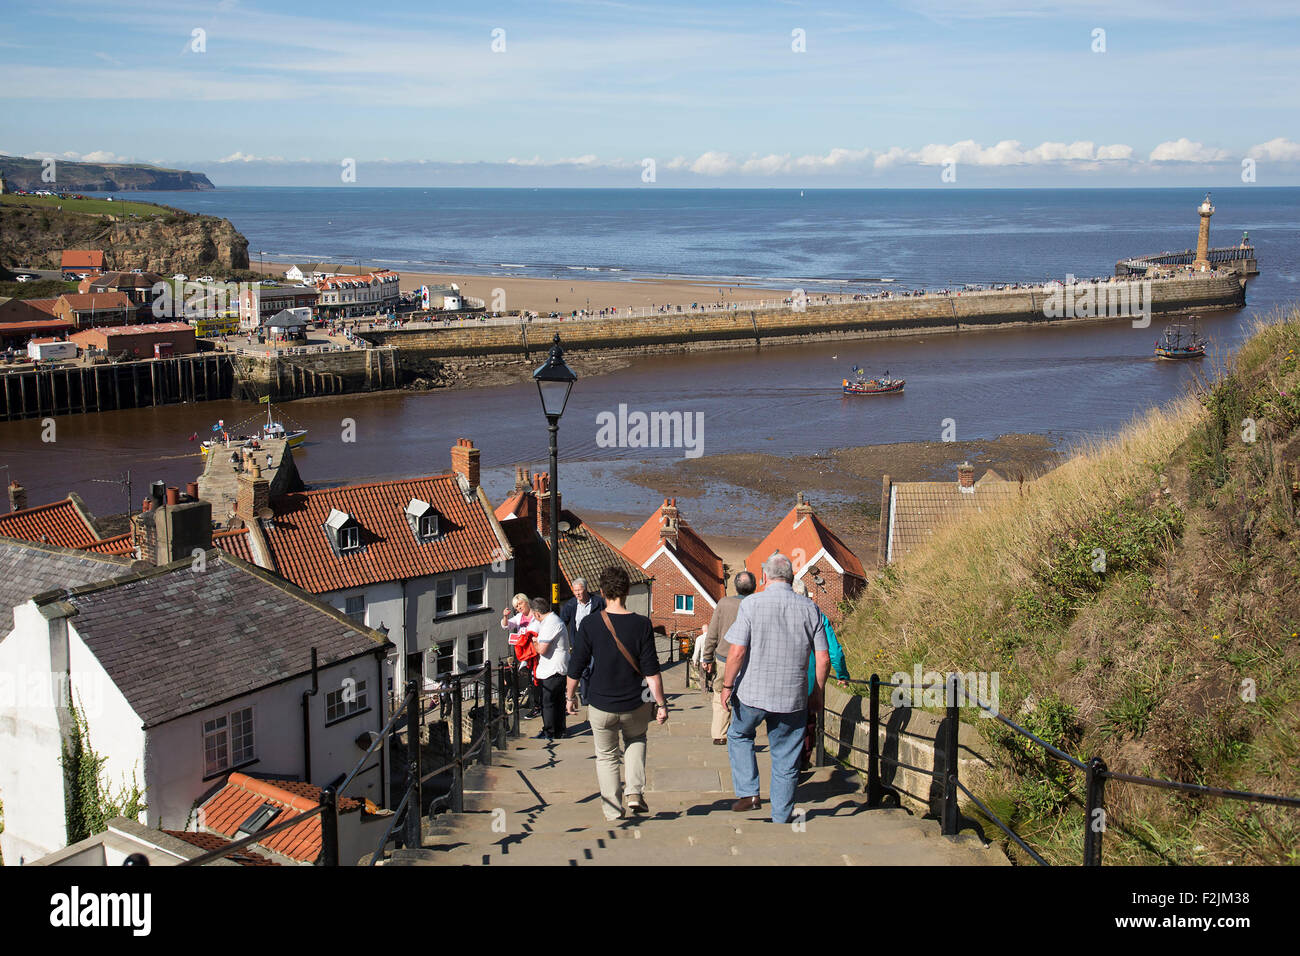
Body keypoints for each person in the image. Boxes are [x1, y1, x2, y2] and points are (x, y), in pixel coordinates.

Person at [720, 552, 828, 824]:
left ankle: (749, 793)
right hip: (792, 696)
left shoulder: (752, 605)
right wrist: (817, 693)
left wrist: (726, 685)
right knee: (786, 755)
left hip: (752, 694)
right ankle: (781, 814)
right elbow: (824, 658)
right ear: (791, 579)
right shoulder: (810, 609)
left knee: (739, 735)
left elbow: (737, 651)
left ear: (765, 577)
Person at [566, 565, 667, 820]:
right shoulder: (642, 624)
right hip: (636, 702)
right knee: (636, 740)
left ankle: (612, 809)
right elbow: (651, 670)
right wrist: (662, 704)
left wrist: (570, 697)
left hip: (601, 704)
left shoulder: (589, 624)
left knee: (606, 756)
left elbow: (575, 666)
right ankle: (634, 793)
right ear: (625, 592)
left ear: (601, 591)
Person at [793, 578, 850, 769]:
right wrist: (842, 674)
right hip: (809, 681)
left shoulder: (779, 614)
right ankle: (802, 763)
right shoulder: (818, 615)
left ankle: (787, 766)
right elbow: (832, 652)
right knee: (808, 724)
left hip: (781, 682)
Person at [701, 570, 756, 745]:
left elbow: (713, 633)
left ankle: (719, 734)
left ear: (736, 586)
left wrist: (707, 657)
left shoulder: (724, 603)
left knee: (719, 694)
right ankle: (743, 732)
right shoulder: (757, 604)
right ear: (754, 587)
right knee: (745, 697)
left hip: (724, 658)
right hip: (749, 660)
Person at [529, 596, 570, 742]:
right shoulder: (553, 620)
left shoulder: (550, 624)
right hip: (558, 667)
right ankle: (560, 730)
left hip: (553, 669)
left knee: (548, 702)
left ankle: (549, 731)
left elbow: (542, 649)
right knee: (558, 701)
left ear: (537, 614)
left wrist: (534, 641)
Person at [559, 578, 605, 705]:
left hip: (596, 641)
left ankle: (596, 694)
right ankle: (586, 697)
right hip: (579, 642)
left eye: (580, 590)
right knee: (584, 671)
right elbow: (562, 623)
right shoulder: (571, 605)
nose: (578, 593)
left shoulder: (598, 602)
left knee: (595, 668)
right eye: (575, 591)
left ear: (586, 589)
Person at [501, 594, 539, 717]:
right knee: (531, 681)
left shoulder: (536, 614)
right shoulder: (518, 618)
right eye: (516, 606)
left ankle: (538, 704)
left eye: (520, 604)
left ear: (526, 602)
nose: (519, 607)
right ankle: (535, 705)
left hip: (537, 652)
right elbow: (505, 625)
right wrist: (505, 616)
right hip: (525, 654)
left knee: (538, 679)